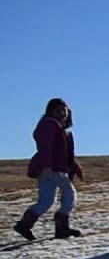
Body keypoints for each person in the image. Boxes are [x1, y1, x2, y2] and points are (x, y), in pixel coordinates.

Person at [15, 98, 83, 240]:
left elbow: (67, 154)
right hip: (53, 168)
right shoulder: (50, 125)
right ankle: (61, 228)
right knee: (70, 196)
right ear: (49, 112)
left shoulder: (61, 129)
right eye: (57, 110)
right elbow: (45, 147)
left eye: (63, 110)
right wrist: (49, 165)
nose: (61, 113)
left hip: (48, 169)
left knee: (46, 201)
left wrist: (75, 167)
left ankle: (24, 225)